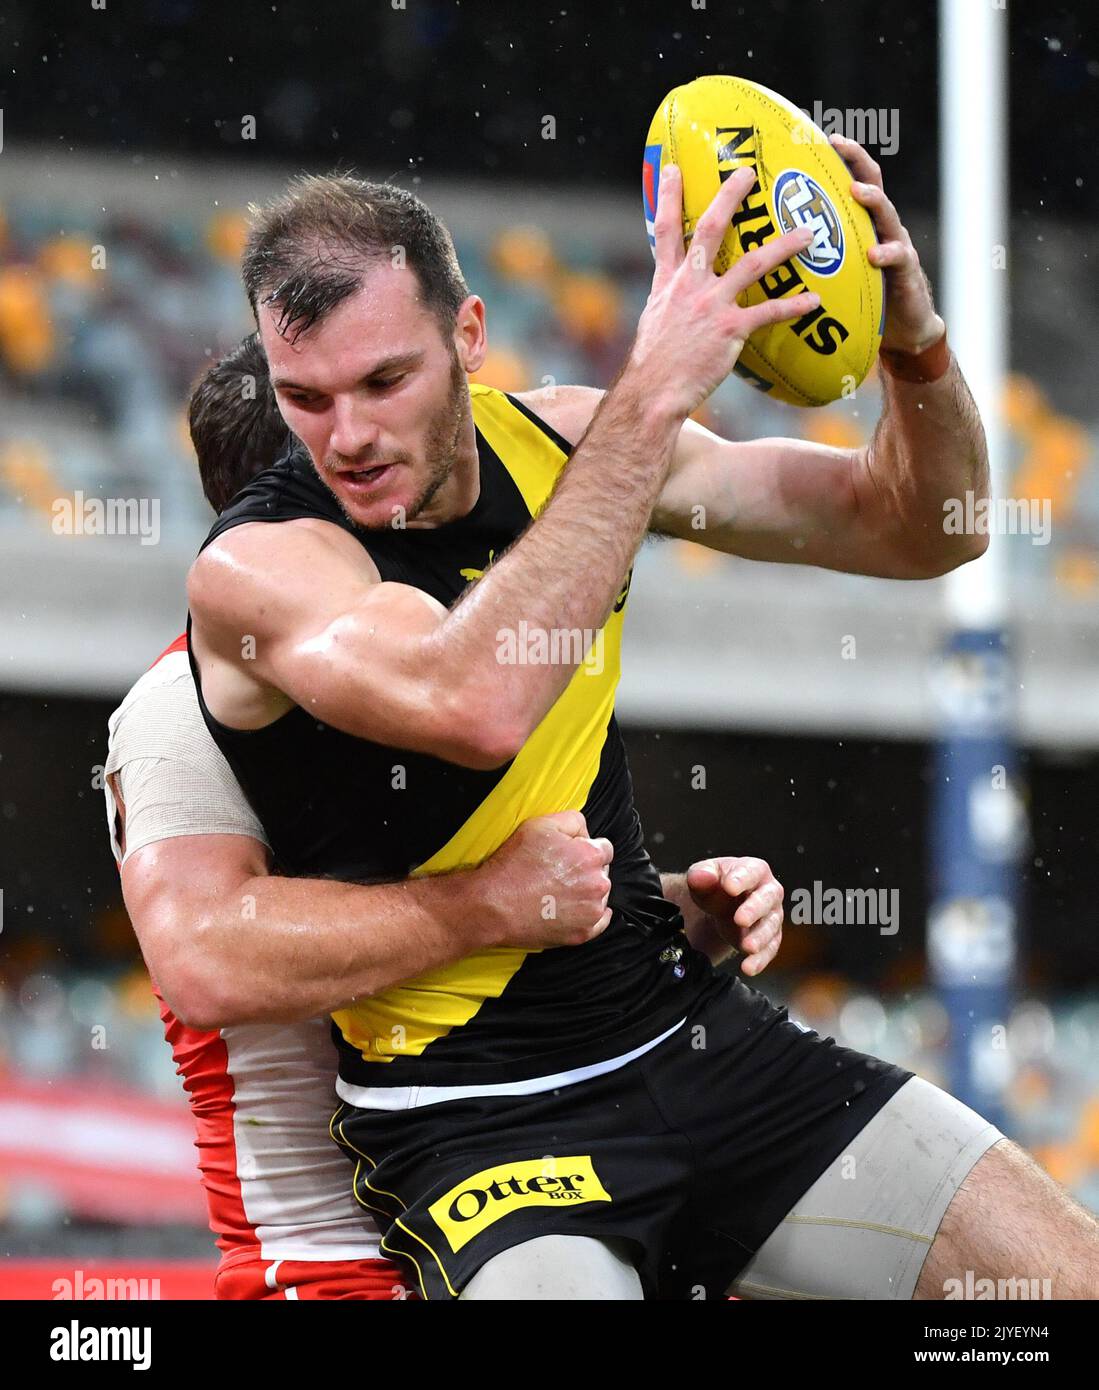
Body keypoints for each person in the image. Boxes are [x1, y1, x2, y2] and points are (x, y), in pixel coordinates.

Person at [184, 148, 1099, 1299]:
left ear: (469, 335)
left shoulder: (570, 441)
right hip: (480, 1129)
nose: (347, 435)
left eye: (384, 382)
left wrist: (911, 348)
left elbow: (925, 527)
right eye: (304, 397)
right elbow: (473, 701)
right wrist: (656, 386)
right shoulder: (259, 567)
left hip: (690, 1041)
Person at [100, 346, 784, 1301]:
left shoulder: (436, 681)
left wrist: (667, 911)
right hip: (338, 1267)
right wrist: (487, 905)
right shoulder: (177, 709)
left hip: (535, 1196)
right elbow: (206, 959)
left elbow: (497, 910)